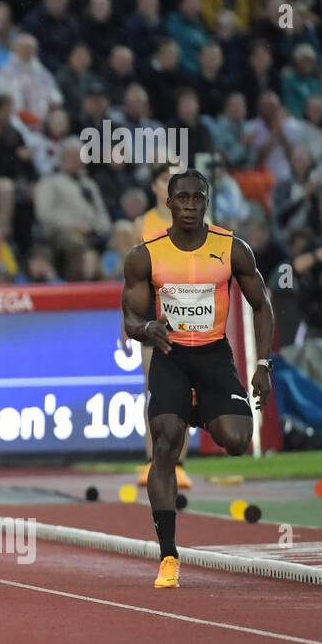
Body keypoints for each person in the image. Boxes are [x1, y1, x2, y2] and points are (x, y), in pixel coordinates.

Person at [121, 169, 274, 589]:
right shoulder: (145, 255)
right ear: (168, 204)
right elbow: (130, 315)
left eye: (197, 199)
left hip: (212, 356)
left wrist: (262, 364)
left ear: (207, 203)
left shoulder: (231, 249)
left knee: (237, 441)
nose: (189, 205)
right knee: (166, 445)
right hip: (170, 355)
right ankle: (168, 555)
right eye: (182, 198)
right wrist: (144, 328)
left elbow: (262, 304)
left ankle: (195, 409)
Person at [136, 166, 195, 490]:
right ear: (155, 185)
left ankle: (179, 464)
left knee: (184, 391)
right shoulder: (140, 225)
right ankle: (152, 462)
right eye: (164, 181)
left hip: (185, 311)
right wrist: (125, 321)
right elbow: (131, 278)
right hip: (150, 312)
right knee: (155, 390)